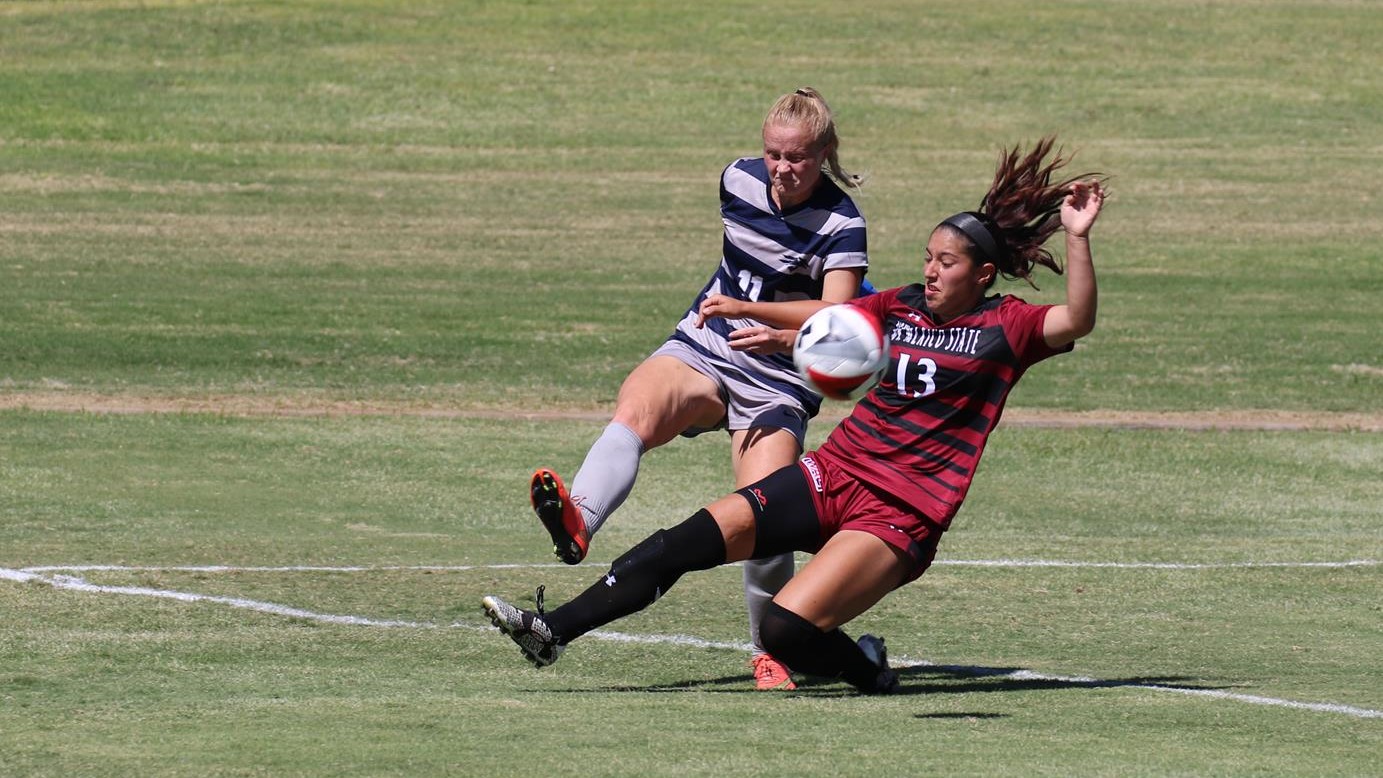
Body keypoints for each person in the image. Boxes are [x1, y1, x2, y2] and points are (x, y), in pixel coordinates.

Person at [489, 136, 1107, 694]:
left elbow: (1077, 319)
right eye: (928, 256)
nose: (930, 270)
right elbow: (831, 322)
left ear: (984, 273)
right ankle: (551, 631)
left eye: (947, 263)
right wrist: (763, 322)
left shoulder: (1008, 326)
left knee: (784, 628)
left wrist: (1076, 237)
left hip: (901, 512)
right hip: (834, 472)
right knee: (682, 542)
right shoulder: (901, 305)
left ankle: (868, 669)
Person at [526, 88, 870, 690]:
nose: (782, 169)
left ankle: (769, 651)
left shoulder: (843, 224)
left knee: (766, 513)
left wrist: (761, 320)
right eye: (774, 154)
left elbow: (836, 315)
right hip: (707, 345)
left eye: (797, 157)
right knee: (636, 409)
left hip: (778, 379)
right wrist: (733, 312)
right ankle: (580, 520)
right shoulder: (737, 180)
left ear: (825, 153)